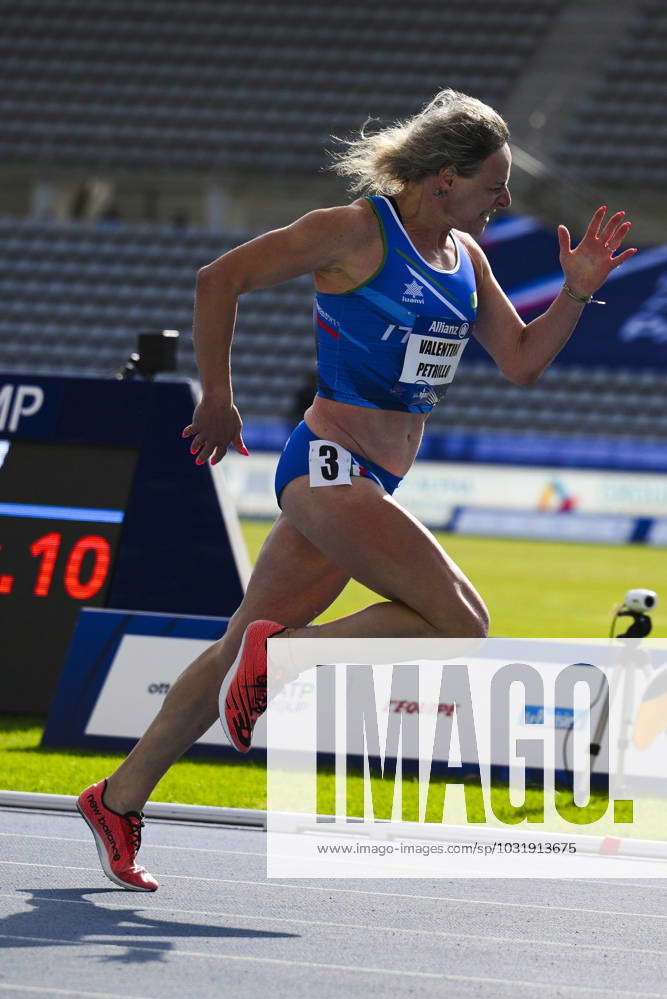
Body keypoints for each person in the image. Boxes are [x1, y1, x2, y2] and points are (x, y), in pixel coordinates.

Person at [77, 89, 636, 891]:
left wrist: (576, 291)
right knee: (461, 622)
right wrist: (217, 397)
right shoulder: (350, 231)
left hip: (370, 478)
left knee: (237, 643)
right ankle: (287, 660)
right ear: (442, 179)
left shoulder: (465, 261)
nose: (505, 201)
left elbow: (520, 361)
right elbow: (217, 279)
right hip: (325, 466)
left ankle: (118, 799)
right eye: (493, 184)